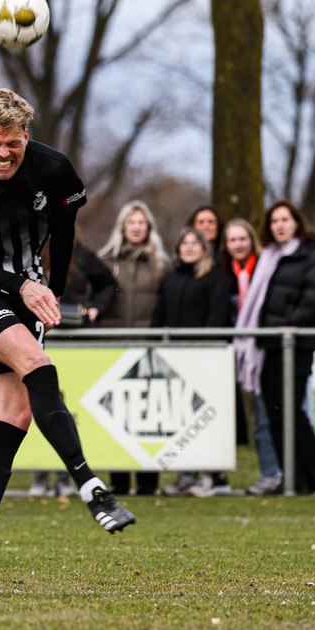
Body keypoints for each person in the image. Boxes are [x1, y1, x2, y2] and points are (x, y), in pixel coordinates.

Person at [0, 88, 134, 597]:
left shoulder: (54, 168)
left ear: (28, 138)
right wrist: (22, 286)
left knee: (14, 415)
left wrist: (54, 290)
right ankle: (93, 489)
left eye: (13, 144)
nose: (3, 153)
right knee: (37, 364)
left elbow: (64, 232)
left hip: (28, 288)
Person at [234, 199, 315, 496]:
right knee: (276, 413)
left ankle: (313, 476)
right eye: (274, 221)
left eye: (285, 220)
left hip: (295, 346)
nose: (279, 225)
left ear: (297, 223)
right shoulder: (270, 257)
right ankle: (293, 478)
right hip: (268, 347)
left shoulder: (311, 257)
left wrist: (287, 326)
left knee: (292, 411)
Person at [27, 241, 116, 497]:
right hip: (38, 339)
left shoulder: (81, 253)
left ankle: (69, 474)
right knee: (41, 406)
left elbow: (107, 282)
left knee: (67, 410)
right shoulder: (26, 249)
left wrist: (96, 308)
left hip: (75, 342)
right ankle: (40, 473)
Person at [96, 199, 170, 496]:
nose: (137, 227)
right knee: (118, 418)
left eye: (141, 222)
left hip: (149, 349)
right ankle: (119, 479)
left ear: (148, 227)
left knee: (150, 417)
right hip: (114, 348)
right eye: (132, 222)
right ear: (123, 226)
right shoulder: (105, 261)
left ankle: (149, 481)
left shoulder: (161, 264)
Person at [151, 227, 232, 497]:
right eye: (183, 243)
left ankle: (208, 477)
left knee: (204, 421)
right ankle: (185, 474)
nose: (188, 247)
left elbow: (218, 316)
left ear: (204, 248)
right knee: (181, 421)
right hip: (173, 360)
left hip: (205, 360)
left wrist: (205, 351)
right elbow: (159, 317)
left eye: (194, 243)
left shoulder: (214, 278)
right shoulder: (171, 279)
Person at [222, 218, 280, 495]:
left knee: (264, 415)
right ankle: (217, 477)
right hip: (228, 352)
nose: (238, 244)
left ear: (251, 240)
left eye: (242, 238)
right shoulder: (223, 272)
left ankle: (273, 473)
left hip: (259, 353)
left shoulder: (266, 269)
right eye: (232, 240)